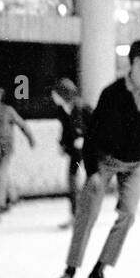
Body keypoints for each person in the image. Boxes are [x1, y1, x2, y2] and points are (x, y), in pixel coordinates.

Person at [53, 40, 140, 278]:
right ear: (136, 61)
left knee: (128, 215)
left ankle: (100, 269)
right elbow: (92, 136)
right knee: (87, 213)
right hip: (105, 160)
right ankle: (70, 269)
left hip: (136, 163)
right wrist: (92, 171)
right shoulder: (112, 93)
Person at [0, 85, 36, 212]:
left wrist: (30, 138)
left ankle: (0, 202)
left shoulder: (7, 110)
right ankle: (12, 196)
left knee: (1, 173)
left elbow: (21, 123)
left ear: (0, 96)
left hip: (6, 147)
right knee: (0, 173)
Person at [50, 78, 91, 228]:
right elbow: (66, 130)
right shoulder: (62, 110)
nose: (53, 97)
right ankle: (76, 214)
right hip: (76, 150)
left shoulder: (79, 107)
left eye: (55, 94)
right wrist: (62, 144)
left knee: (79, 179)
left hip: (88, 148)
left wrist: (82, 138)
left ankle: (80, 215)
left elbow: (89, 127)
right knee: (73, 179)